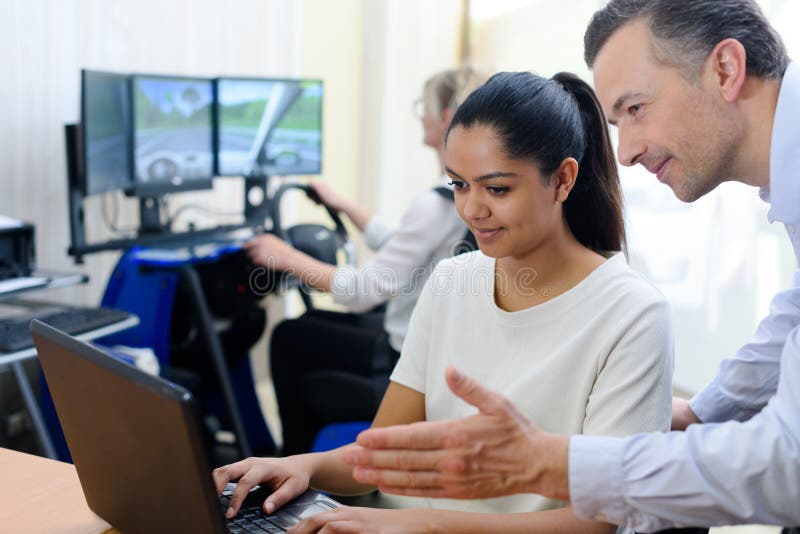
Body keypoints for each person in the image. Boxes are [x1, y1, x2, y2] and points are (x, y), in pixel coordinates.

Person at [343, 1, 800, 532]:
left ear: (724, 69)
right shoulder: (454, 279)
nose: (624, 152)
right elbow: (792, 319)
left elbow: (789, 464)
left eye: (636, 109)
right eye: (614, 121)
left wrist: (551, 464)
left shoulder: (630, 308)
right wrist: (703, 410)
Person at [213, 70, 675, 533]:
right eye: (458, 185)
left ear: (562, 180)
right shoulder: (451, 280)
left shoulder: (632, 316)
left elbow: (598, 524)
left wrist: (425, 526)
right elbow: (383, 452)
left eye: (497, 189)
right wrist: (303, 467)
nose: (472, 209)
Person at [245, 67, 486, 455]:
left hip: (400, 367)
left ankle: (292, 463)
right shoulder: (463, 197)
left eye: (422, 107)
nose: (419, 116)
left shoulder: (435, 204)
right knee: (307, 325)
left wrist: (284, 256)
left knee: (289, 337)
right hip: (431, 356)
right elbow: (405, 249)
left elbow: (364, 291)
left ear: (444, 117)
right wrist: (344, 206)